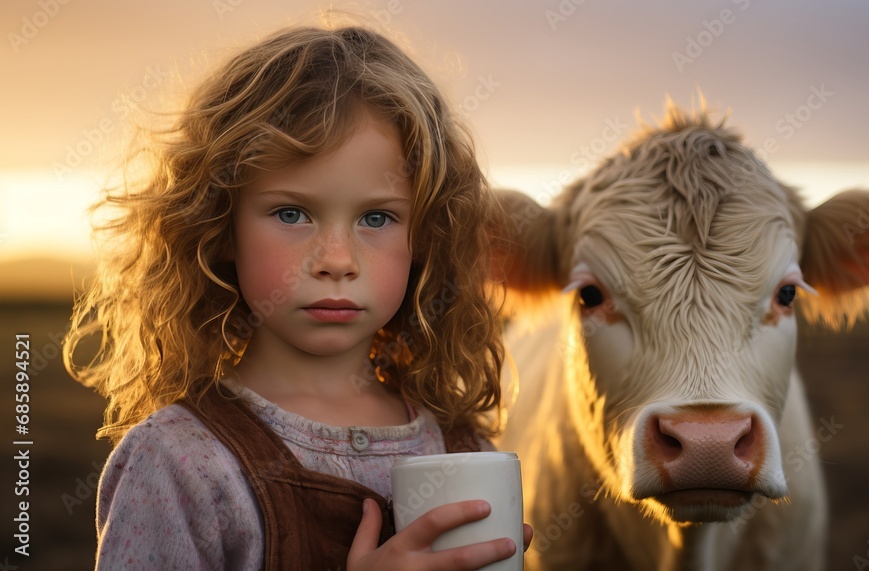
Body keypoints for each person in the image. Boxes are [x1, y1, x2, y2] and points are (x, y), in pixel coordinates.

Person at [63, 24, 530, 570]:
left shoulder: (466, 453)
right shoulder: (179, 462)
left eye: (376, 217)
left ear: (425, 239)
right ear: (219, 227)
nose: (336, 259)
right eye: (291, 213)